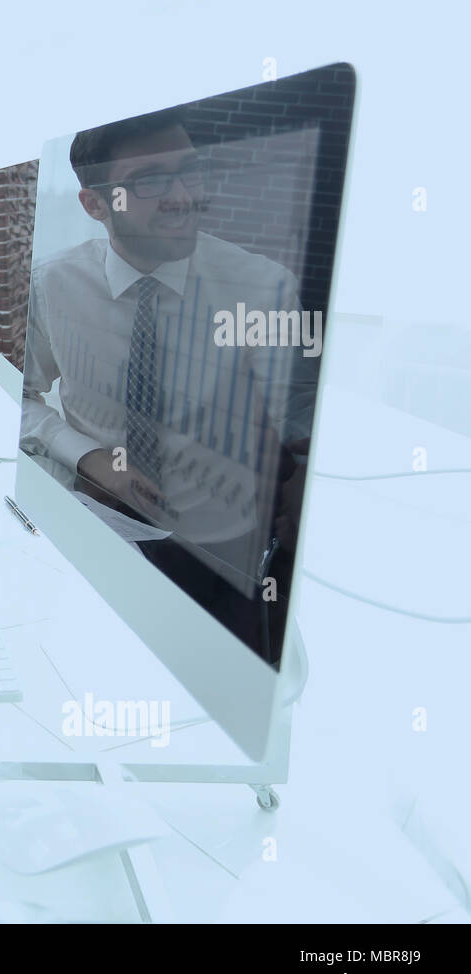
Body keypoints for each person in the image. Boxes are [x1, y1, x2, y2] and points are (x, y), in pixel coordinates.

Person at [20, 109, 316, 660]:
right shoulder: (53, 284)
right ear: (94, 204)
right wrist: (87, 457)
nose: (182, 196)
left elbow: (300, 431)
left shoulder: (262, 288)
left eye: (190, 171)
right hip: (93, 526)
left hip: (218, 554)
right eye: (151, 180)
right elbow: (22, 398)